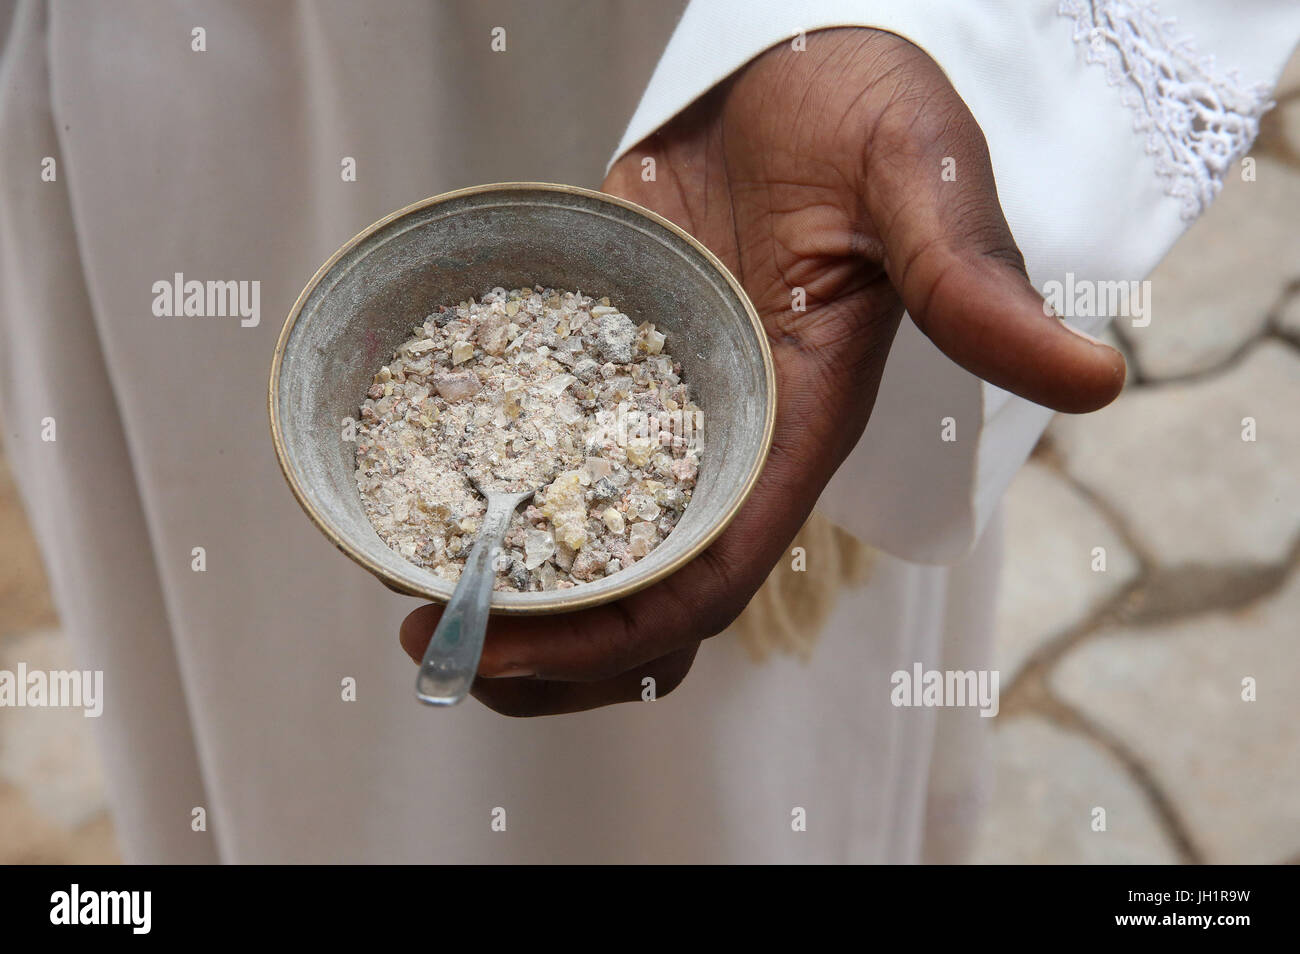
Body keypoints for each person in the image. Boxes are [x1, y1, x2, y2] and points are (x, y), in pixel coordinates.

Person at [1, 0, 1295, 863]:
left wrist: (862, 29)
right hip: (226, 65)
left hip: (714, 64)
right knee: (289, 688)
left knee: (714, 782)